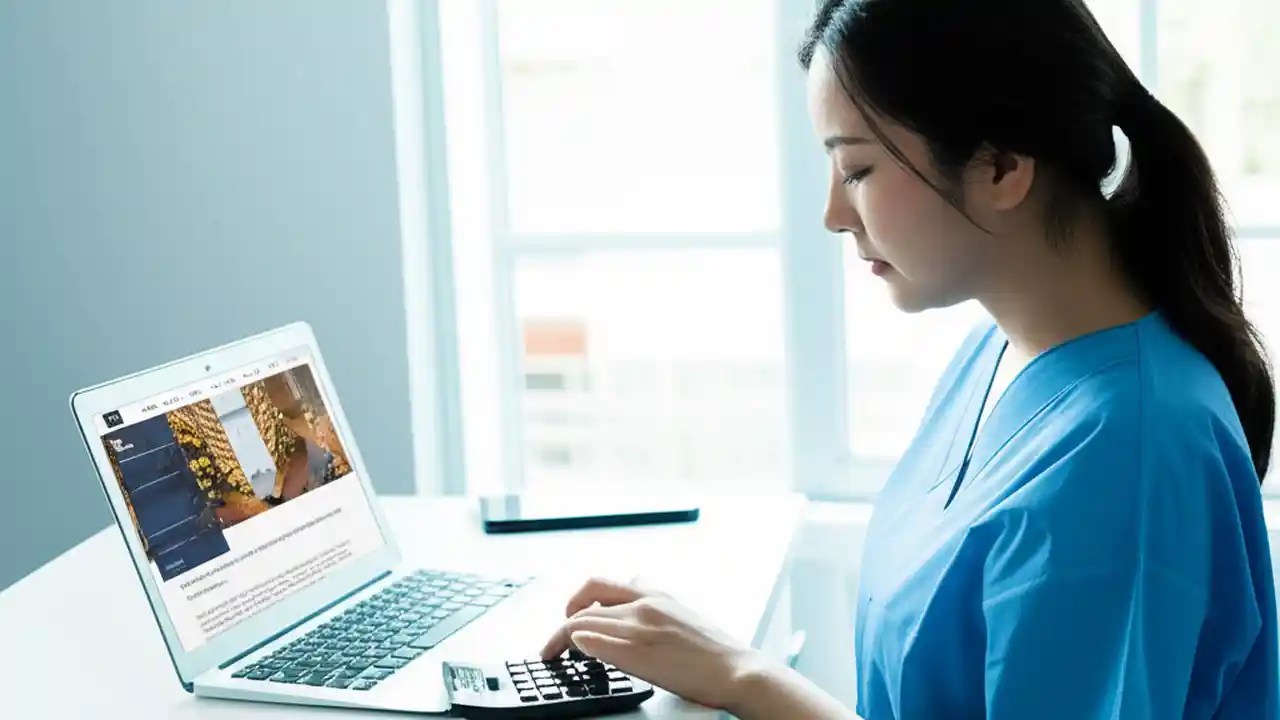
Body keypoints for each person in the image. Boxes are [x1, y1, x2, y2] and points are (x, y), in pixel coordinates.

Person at [537, 0, 1280, 717]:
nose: (832, 213)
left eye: (855, 169)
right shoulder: (995, 357)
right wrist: (722, 665)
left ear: (1000, 166)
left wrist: (745, 679)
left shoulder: (1130, 455)